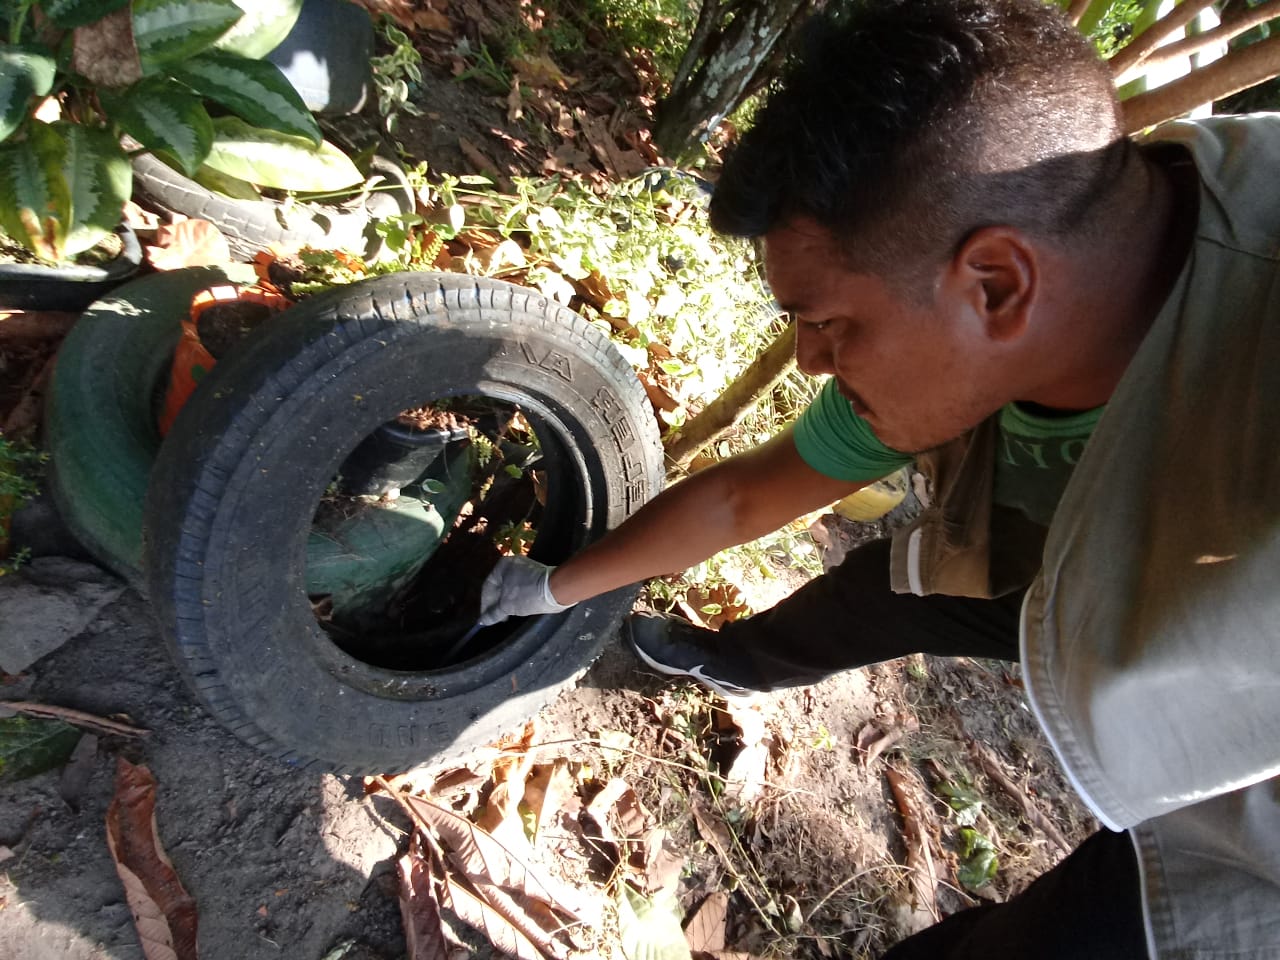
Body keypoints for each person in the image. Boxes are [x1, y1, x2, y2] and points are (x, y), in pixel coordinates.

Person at [479, 1, 1280, 956]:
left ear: (996, 286)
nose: (812, 362)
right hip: (1054, 563)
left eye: (830, 325)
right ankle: (739, 661)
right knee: (893, 587)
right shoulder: (1046, 284)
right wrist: (554, 587)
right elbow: (745, 496)